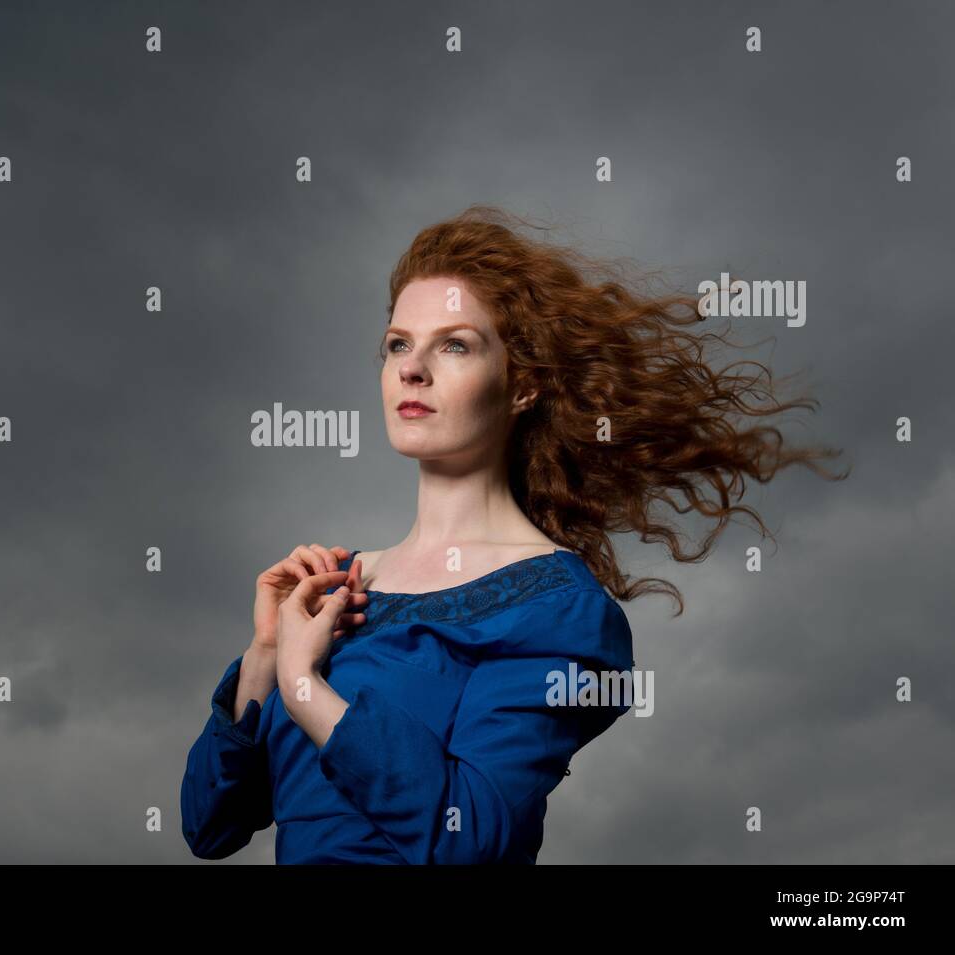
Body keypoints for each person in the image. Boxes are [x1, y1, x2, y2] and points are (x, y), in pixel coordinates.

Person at [180, 206, 846, 864]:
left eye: (454, 344)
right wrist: (268, 653)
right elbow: (209, 827)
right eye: (398, 344)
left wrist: (305, 685)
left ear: (522, 384)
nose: (413, 369)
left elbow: (466, 839)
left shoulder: (558, 607)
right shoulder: (336, 589)